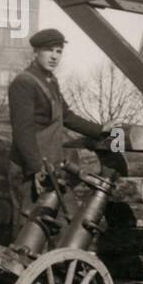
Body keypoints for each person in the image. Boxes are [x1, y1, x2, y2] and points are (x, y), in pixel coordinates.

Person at [7, 28, 114, 237]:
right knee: (28, 229)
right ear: (36, 52)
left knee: (63, 224)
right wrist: (36, 168)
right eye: (49, 51)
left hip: (50, 167)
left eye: (59, 51)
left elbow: (67, 115)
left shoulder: (50, 81)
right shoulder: (24, 83)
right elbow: (23, 131)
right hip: (31, 169)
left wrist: (100, 130)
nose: (55, 56)